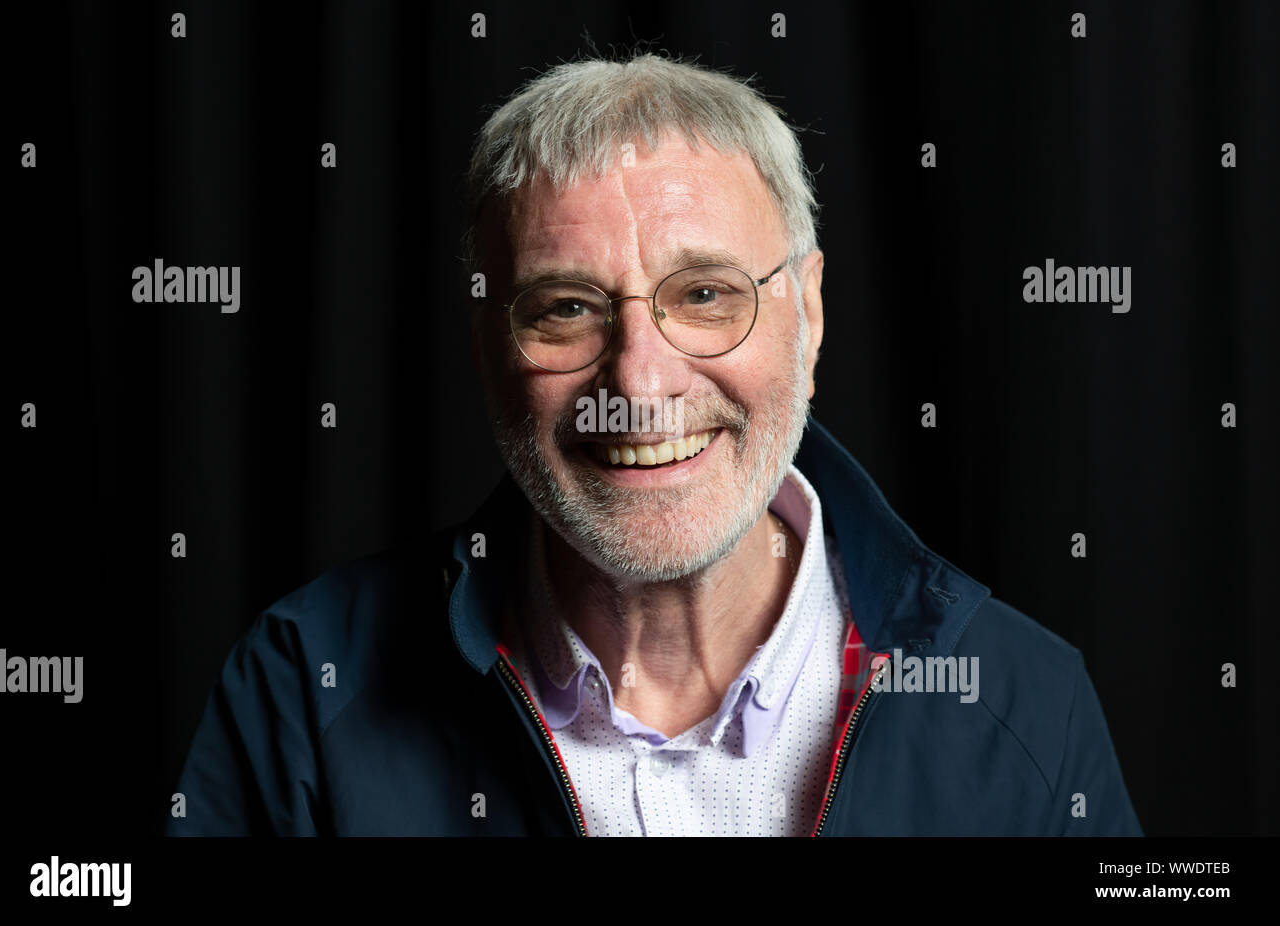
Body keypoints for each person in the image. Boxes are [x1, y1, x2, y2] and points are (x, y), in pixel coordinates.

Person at [166, 52, 1142, 837]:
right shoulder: (305, 687)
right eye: (566, 309)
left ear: (806, 311)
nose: (638, 380)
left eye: (706, 295)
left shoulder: (1022, 702)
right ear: (487, 348)